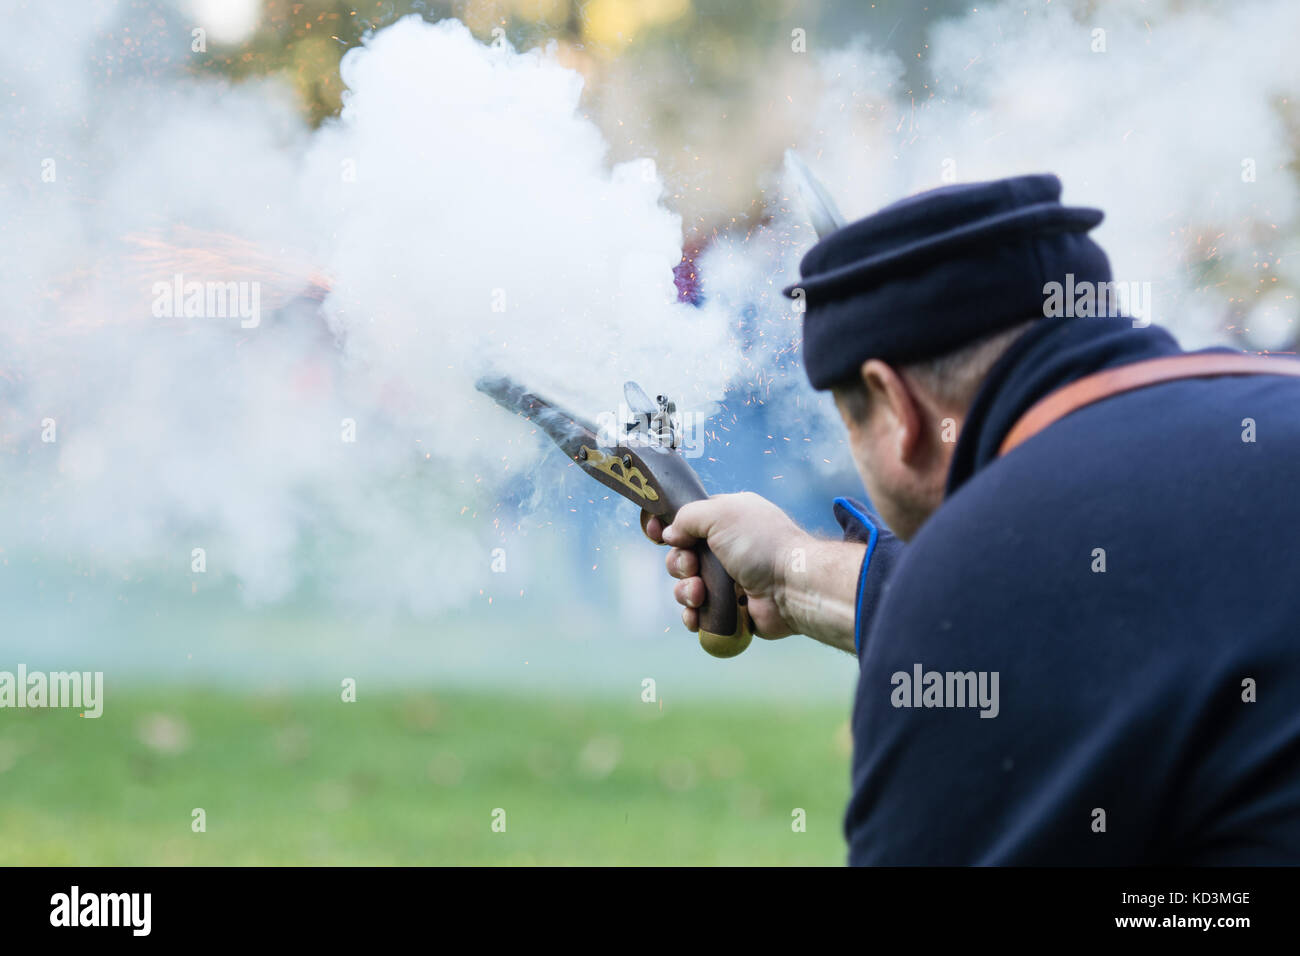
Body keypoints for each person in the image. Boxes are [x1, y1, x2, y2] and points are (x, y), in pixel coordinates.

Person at [643, 173, 1300, 864]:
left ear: (893, 406)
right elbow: (1117, 599)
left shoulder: (989, 576)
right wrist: (792, 573)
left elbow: (1011, 599)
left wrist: (937, 601)